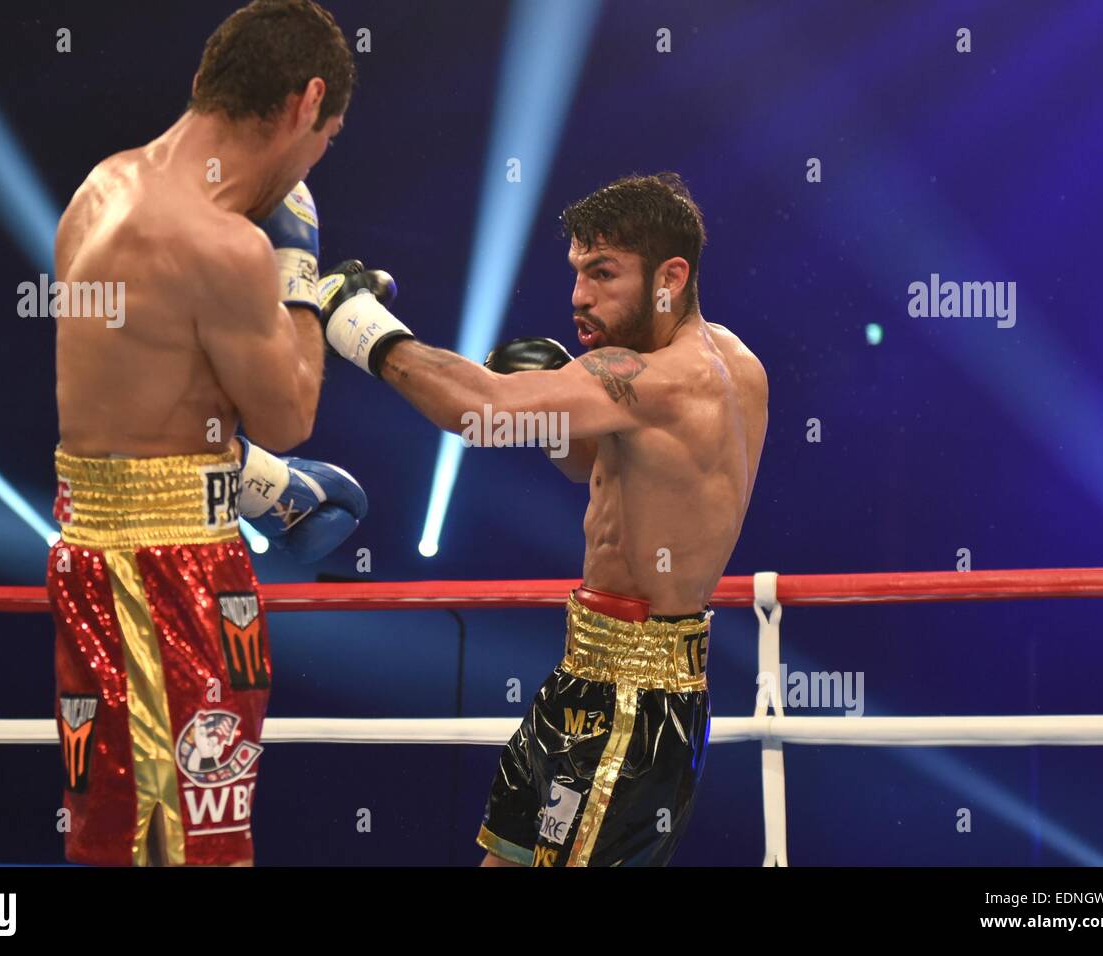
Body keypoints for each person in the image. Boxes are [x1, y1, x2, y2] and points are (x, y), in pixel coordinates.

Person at [316, 172, 769, 866]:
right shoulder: (732, 366)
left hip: (629, 699)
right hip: (594, 672)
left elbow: (483, 413)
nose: (579, 296)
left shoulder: (661, 378)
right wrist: (561, 415)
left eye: (603, 273)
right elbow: (596, 467)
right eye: (577, 272)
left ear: (670, 276)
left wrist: (362, 327)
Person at [48, 0, 365, 866]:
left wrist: (253, 481)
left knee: (134, 836)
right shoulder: (224, 245)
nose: (314, 158)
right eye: (327, 135)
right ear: (306, 104)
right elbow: (291, 413)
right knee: (190, 849)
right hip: (167, 573)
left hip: (115, 554)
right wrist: (306, 280)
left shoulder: (102, 187)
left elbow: (137, 409)